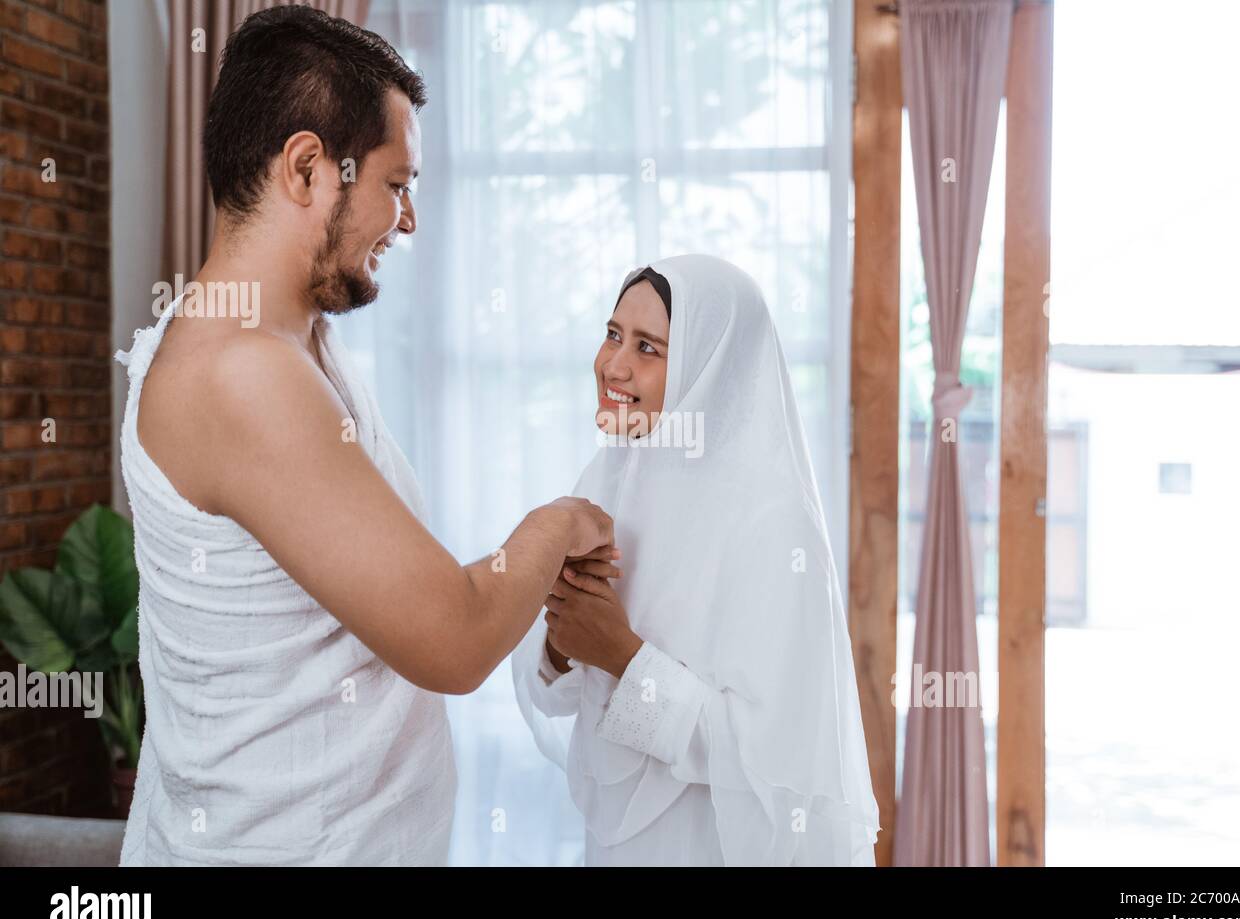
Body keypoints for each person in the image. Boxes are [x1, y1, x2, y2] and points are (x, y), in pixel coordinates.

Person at [115, 5, 612, 865]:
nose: (409, 219)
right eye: (396, 183)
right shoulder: (240, 375)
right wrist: (562, 522)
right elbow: (452, 642)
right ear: (308, 168)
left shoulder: (289, 345)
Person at [512, 254, 881, 865]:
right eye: (612, 335)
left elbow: (775, 765)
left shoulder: (774, 525)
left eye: (649, 348)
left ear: (709, 368)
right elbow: (550, 689)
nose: (614, 366)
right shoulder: (605, 479)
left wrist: (621, 655)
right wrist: (559, 641)